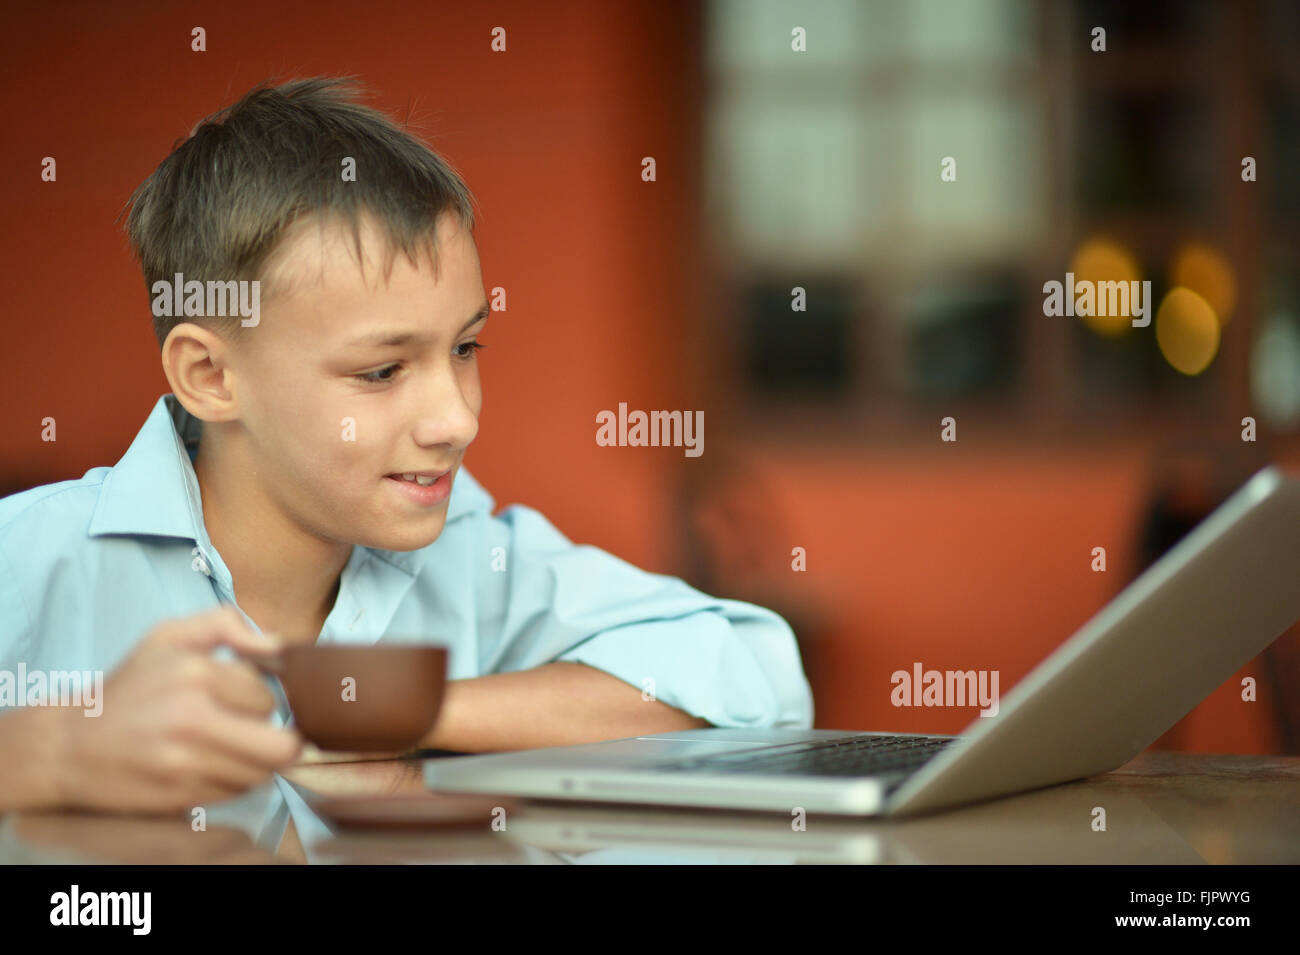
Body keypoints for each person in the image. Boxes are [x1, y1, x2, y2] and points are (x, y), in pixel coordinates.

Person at [0, 77, 813, 815]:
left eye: (465, 349)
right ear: (210, 375)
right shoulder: (30, 563)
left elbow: (756, 671)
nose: (457, 419)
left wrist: (405, 717)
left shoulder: (470, 553)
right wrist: (53, 752)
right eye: (383, 369)